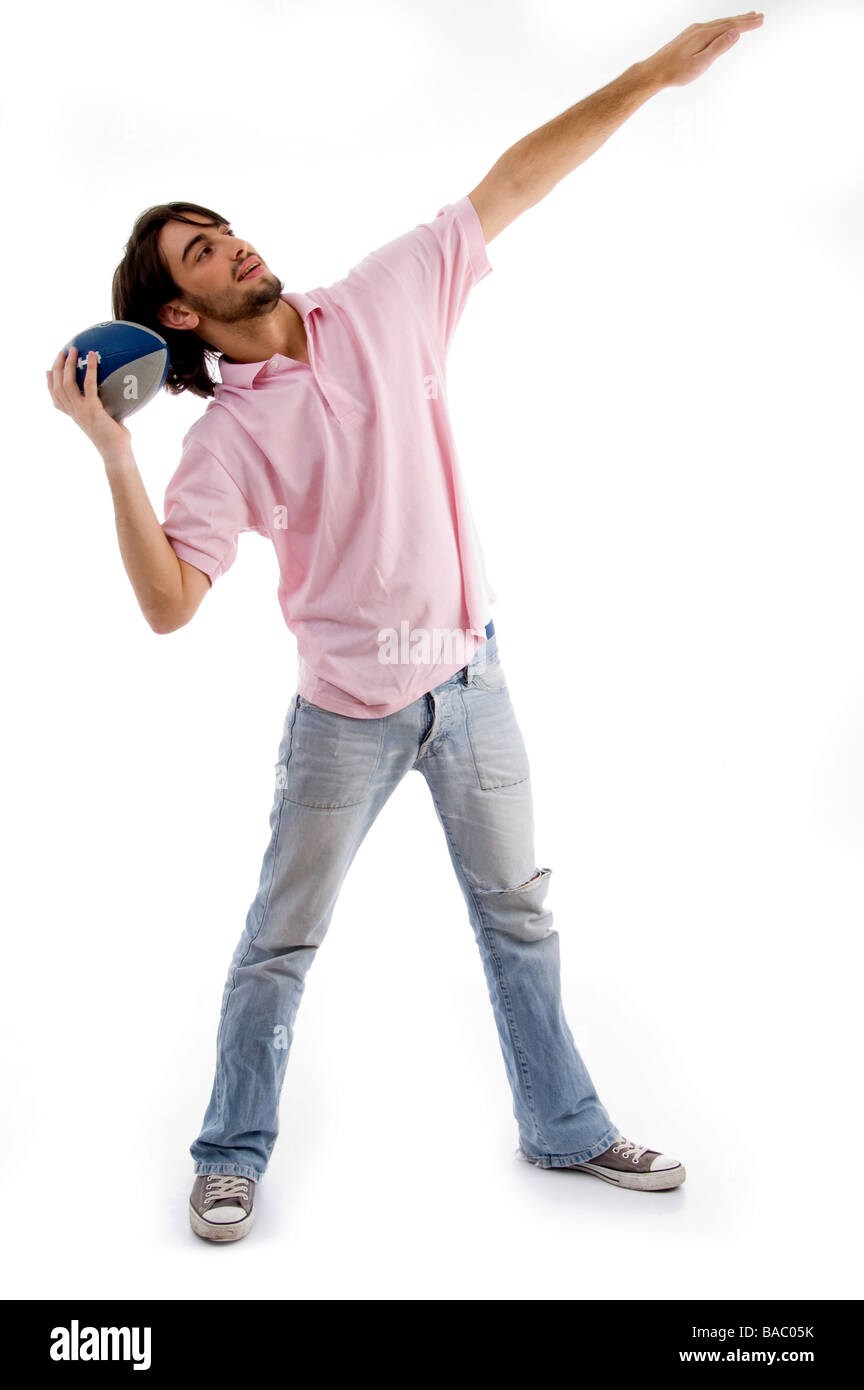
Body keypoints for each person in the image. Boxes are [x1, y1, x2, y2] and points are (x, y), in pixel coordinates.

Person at [46, 11, 764, 1242]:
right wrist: (111, 449)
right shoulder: (220, 444)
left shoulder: (382, 299)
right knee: (281, 941)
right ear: (178, 316)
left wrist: (649, 74)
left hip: (475, 682)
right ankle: (229, 1154)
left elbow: (512, 184)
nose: (235, 249)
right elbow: (169, 607)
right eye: (204, 255)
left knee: (521, 915)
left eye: (226, 232)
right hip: (346, 716)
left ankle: (567, 1127)